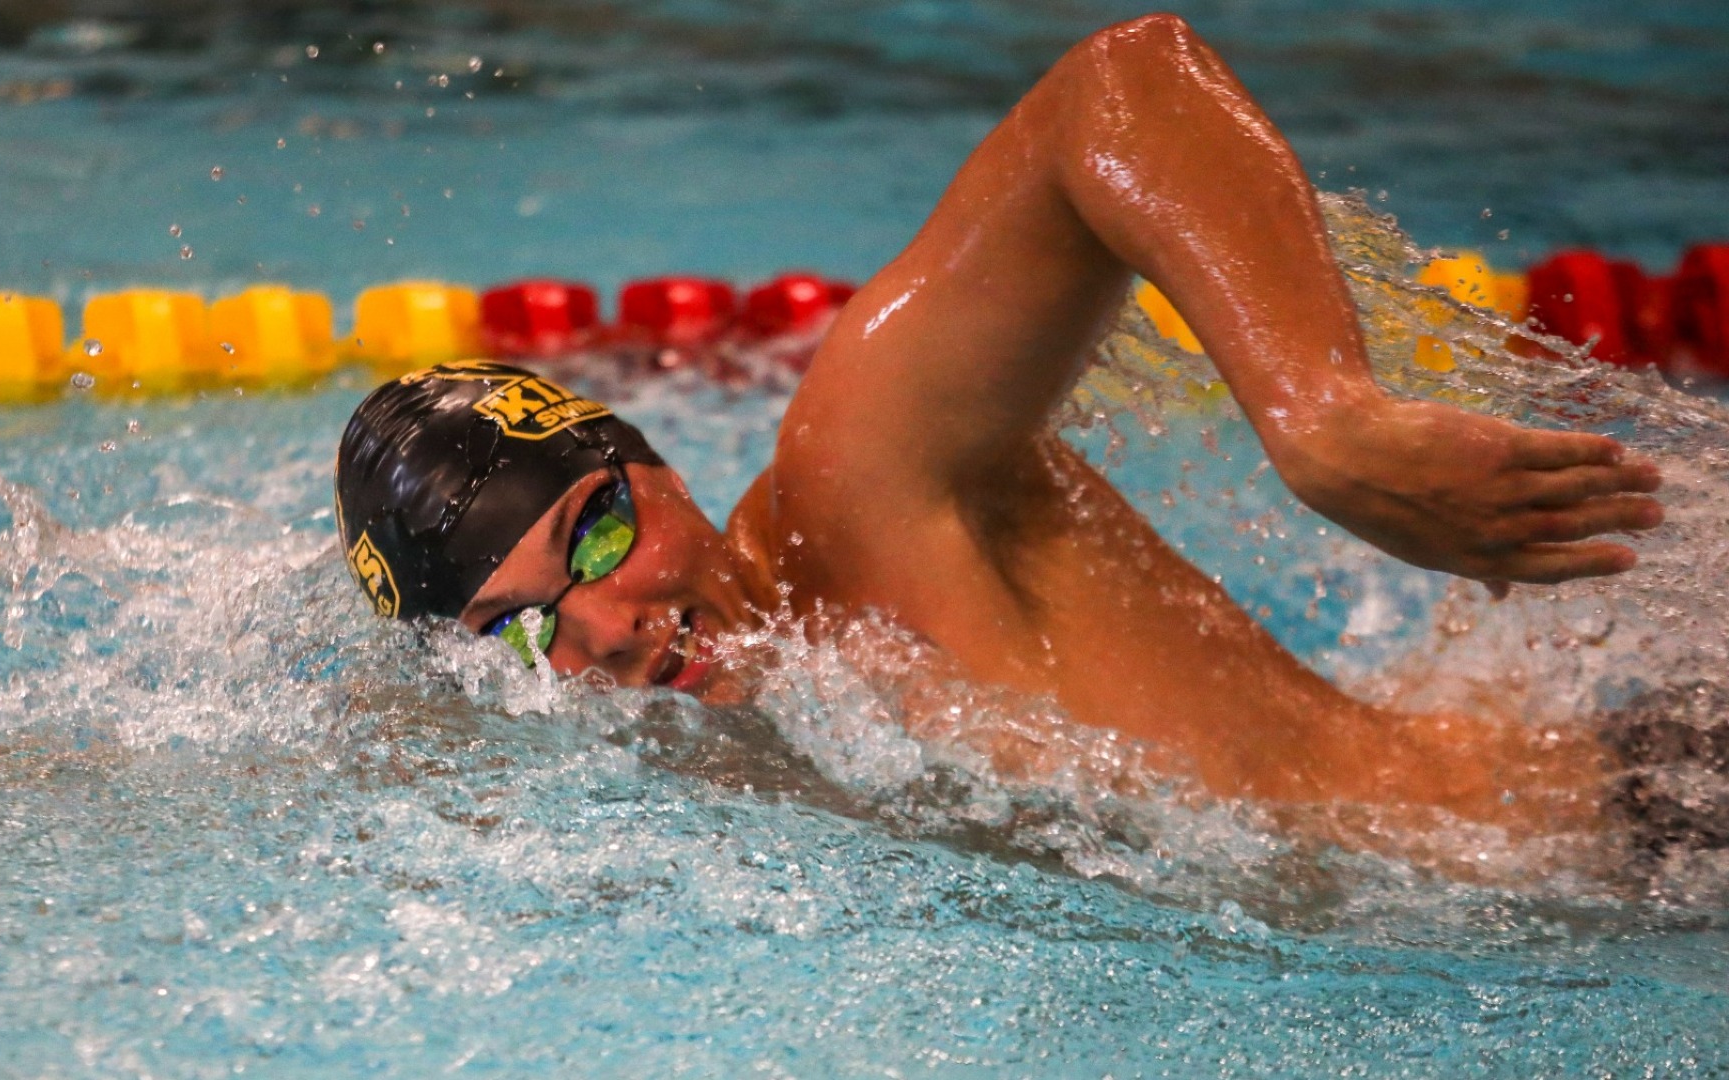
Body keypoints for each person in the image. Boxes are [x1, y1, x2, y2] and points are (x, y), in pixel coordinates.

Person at [334, 15, 1664, 850]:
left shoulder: (858, 490)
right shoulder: (691, 753)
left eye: (596, 534)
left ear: (651, 462)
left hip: (1621, 843)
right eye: (523, 629)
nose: (605, 631)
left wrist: (1323, 418)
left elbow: (1120, 87)